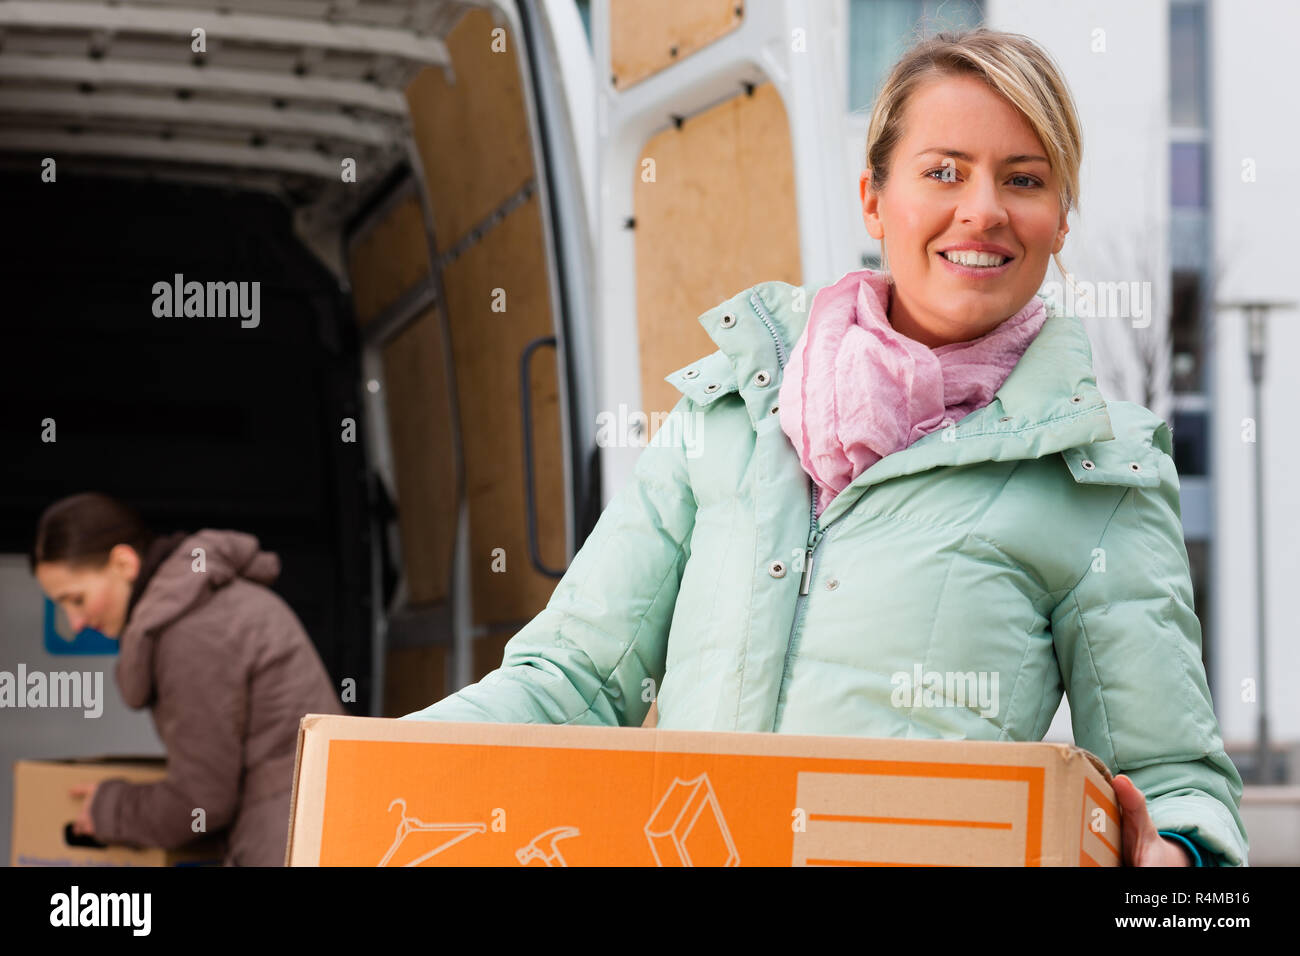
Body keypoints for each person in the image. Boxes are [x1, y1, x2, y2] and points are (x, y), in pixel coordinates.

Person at [401, 28, 1249, 867]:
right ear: (875, 198)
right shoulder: (728, 412)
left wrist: (1174, 861)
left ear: (1060, 219)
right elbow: (573, 682)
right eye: (943, 171)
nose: (982, 209)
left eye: (1023, 180)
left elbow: (1175, 781)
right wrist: (381, 769)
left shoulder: (1101, 471)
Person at [31, 492, 346, 866]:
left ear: (123, 563)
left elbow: (203, 802)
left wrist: (111, 810)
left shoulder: (190, 634)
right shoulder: (206, 606)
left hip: (293, 842)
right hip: (313, 827)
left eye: (77, 600)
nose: (75, 623)